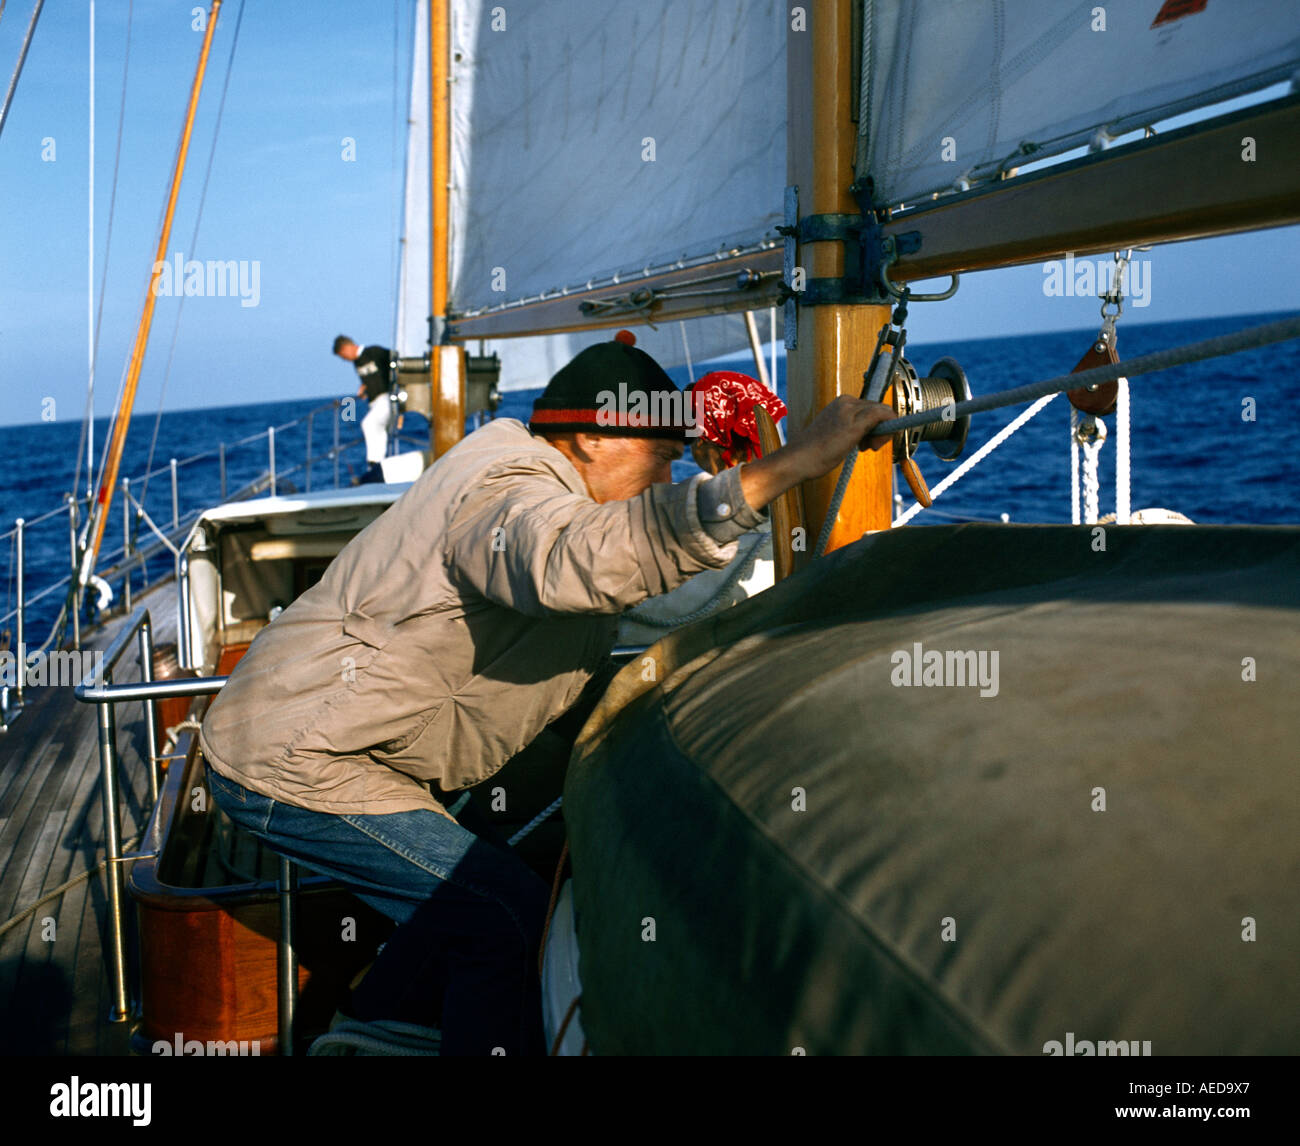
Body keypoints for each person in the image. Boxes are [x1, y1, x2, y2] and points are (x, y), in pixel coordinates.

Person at [199, 331, 891, 1055]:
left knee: (479, 888)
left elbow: (642, 585)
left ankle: (371, 1031)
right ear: (593, 439)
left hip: (357, 744)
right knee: (499, 911)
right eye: (661, 460)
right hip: (291, 759)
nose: (664, 481)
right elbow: (571, 560)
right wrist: (790, 466)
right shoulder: (509, 492)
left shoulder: (540, 479)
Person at [333, 334, 396, 483]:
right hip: (374, 402)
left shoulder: (374, 352)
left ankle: (374, 464)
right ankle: (377, 467)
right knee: (377, 429)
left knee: (369, 424)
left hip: (387, 397)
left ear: (346, 348)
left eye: (343, 356)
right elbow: (370, 377)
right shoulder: (357, 364)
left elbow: (394, 361)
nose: (345, 360)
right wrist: (364, 388)